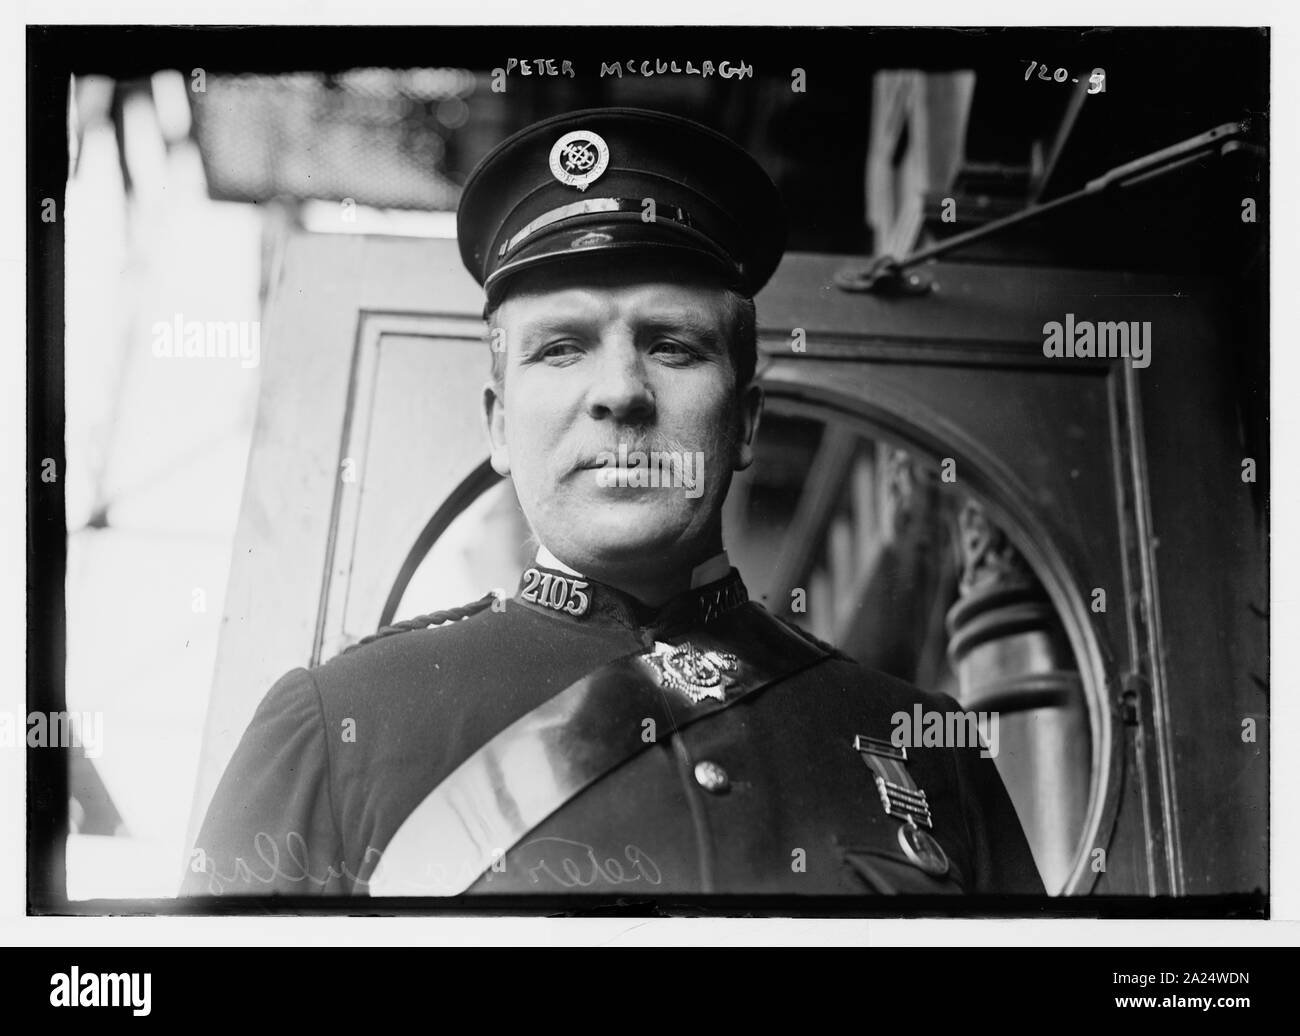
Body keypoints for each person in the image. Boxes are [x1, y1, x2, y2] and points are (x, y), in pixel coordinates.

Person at [182, 107, 1044, 898]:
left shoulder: (928, 750)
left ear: (745, 422)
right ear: (497, 424)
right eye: (561, 350)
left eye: (671, 347)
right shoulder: (340, 728)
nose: (620, 393)